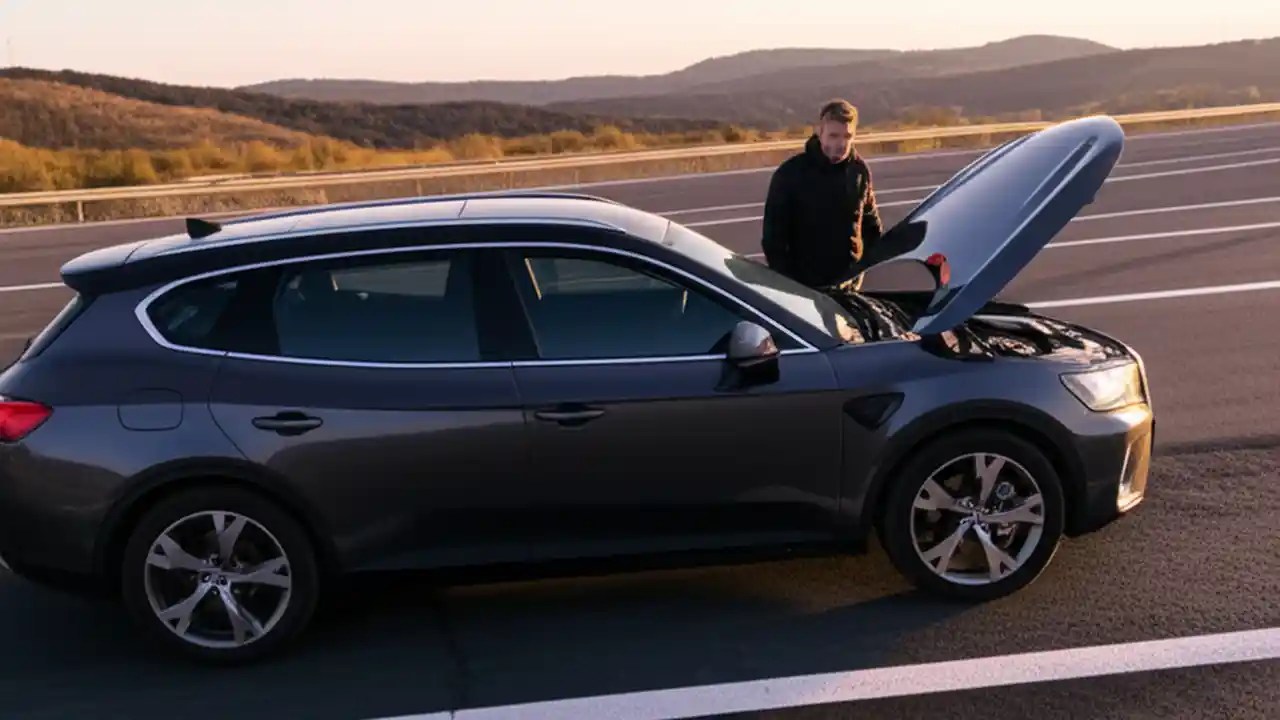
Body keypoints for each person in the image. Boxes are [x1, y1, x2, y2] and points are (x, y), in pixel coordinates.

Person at [760, 99, 883, 291]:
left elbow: (871, 224)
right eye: (833, 135)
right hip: (804, 287)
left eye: (847, 136)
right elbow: (773, 239)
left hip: (849, 285)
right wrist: (790, 285)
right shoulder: (791, 174)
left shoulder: (859, 172)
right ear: (820, 132)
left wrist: (861, 268)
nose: (841, 143)